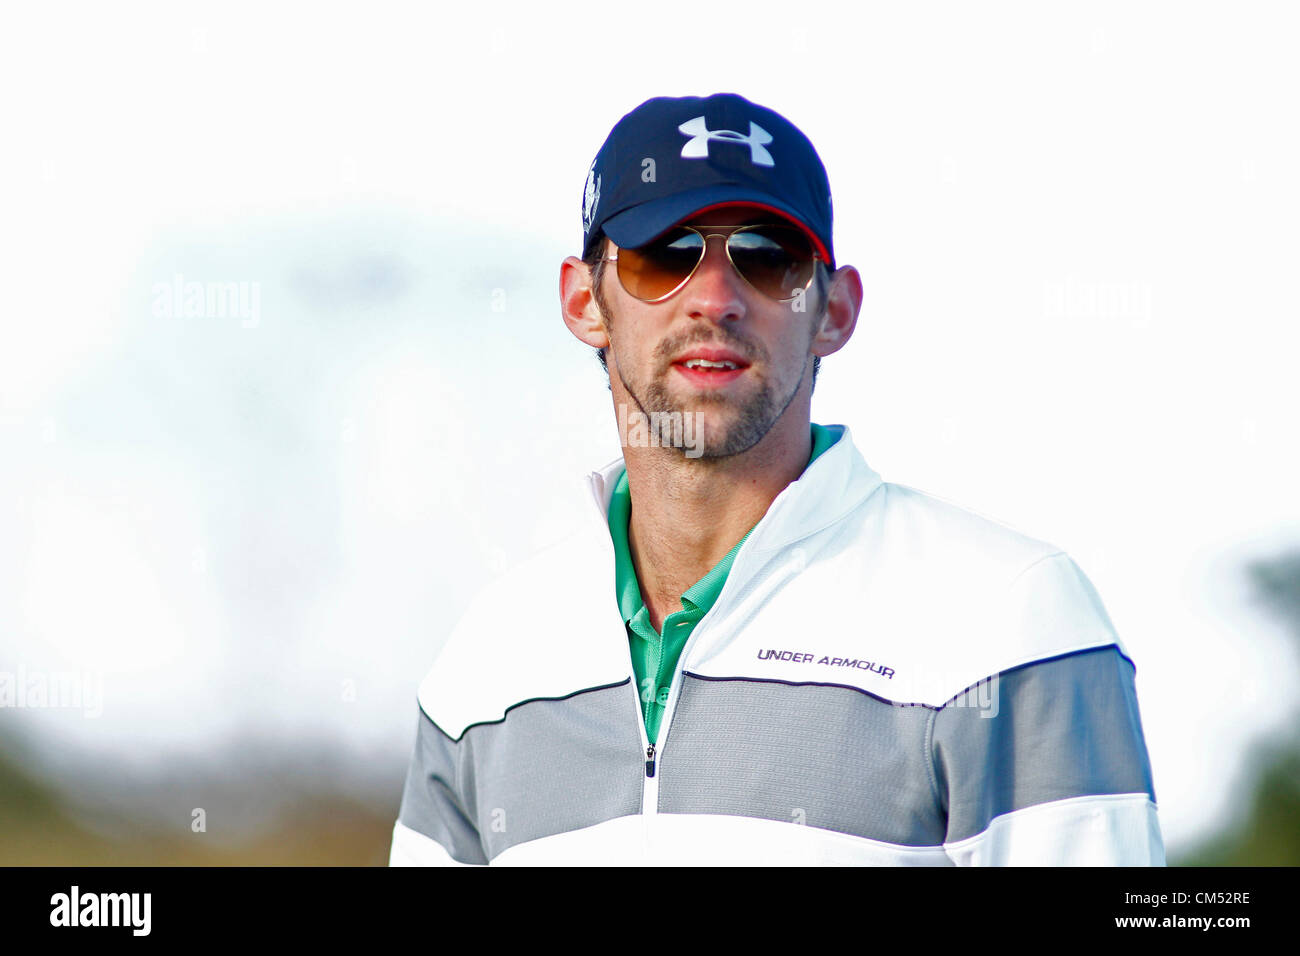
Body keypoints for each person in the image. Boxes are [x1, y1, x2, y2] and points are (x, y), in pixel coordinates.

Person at [389, 92, 1165, 866]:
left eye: (767, 258)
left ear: (834, 309)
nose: (715, 299)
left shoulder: (1010, 619)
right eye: (665, 252)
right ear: (586, 301)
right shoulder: (485, 667)